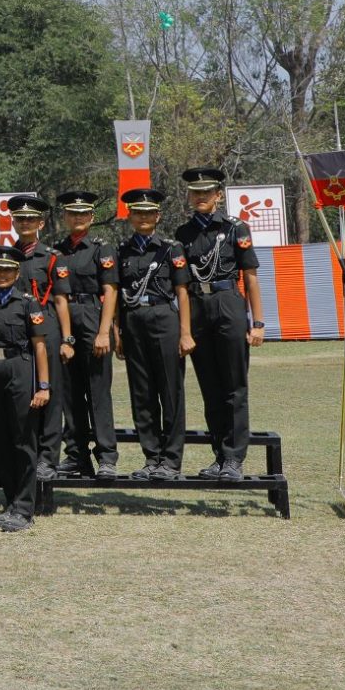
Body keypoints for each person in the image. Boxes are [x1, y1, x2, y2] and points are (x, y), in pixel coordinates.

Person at [174, 167, 266, 480]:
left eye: (206, 191)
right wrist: (184, 330)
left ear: (217, 195)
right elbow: (182, 285)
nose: (200, 197)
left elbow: (251, 277)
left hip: (228, 303)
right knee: (210, 387)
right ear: (189, 195)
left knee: (234, 387)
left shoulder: (236, 228)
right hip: (198, 307)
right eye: (195, 192)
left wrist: (259, 322)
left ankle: (234, 459)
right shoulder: (183, 235)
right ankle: (218, 455)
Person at [113, 188, 195, 480]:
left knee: (170, 391)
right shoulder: (122, 251)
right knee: (142, 392)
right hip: (133, 322)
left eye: (149, 212)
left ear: (158, 216)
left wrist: (185, 333)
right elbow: (117, 295)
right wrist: (117, 331)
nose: (144, 217)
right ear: (130, 216)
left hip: (165, 318)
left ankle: (171, 461)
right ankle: (152, 458)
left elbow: (183, 292)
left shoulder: (170, 248)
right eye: (138, 212)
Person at [0, 244, 50, 532]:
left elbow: (39, 346)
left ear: (17, 272)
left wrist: (43, 386)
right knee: (1, 441)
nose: (2, 274)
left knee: (23, 441)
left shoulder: (27, 303)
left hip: (20, 369)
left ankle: (24, 507)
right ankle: (10, 502)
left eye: (8, 270)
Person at [52, 192, 119, 479]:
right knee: (70, 394)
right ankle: (76, 455)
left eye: (83, 214)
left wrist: (105, 332)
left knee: (98, 392)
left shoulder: (101, 248)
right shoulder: (57, 250)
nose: (77, 218)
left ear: (91, 218)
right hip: (65, 319)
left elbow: (110, 291)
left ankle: (106, 456)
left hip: (93, 316)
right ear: (65, 217)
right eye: (72, 213)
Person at [6, 196, 73, 482]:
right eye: (20, 219)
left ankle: (48, 458)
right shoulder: (7, 256)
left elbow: (60, 300)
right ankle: (26, 455)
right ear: (13, 222)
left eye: (31, 219)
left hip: (47, 327)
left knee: (51, 394)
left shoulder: (52, 257)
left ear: (41, 224)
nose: (25, 223)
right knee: (24, 394)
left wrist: (67, 339)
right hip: (18, 331)